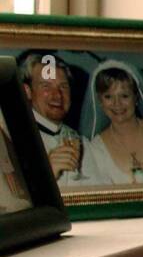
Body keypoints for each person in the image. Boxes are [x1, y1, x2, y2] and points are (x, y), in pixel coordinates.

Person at [17, 51, 98, 186]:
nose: (57, 95)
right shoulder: (11, 139)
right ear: (27, 91)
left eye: (63, 86)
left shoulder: (81, 142)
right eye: (46, 86)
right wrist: (46, 174)